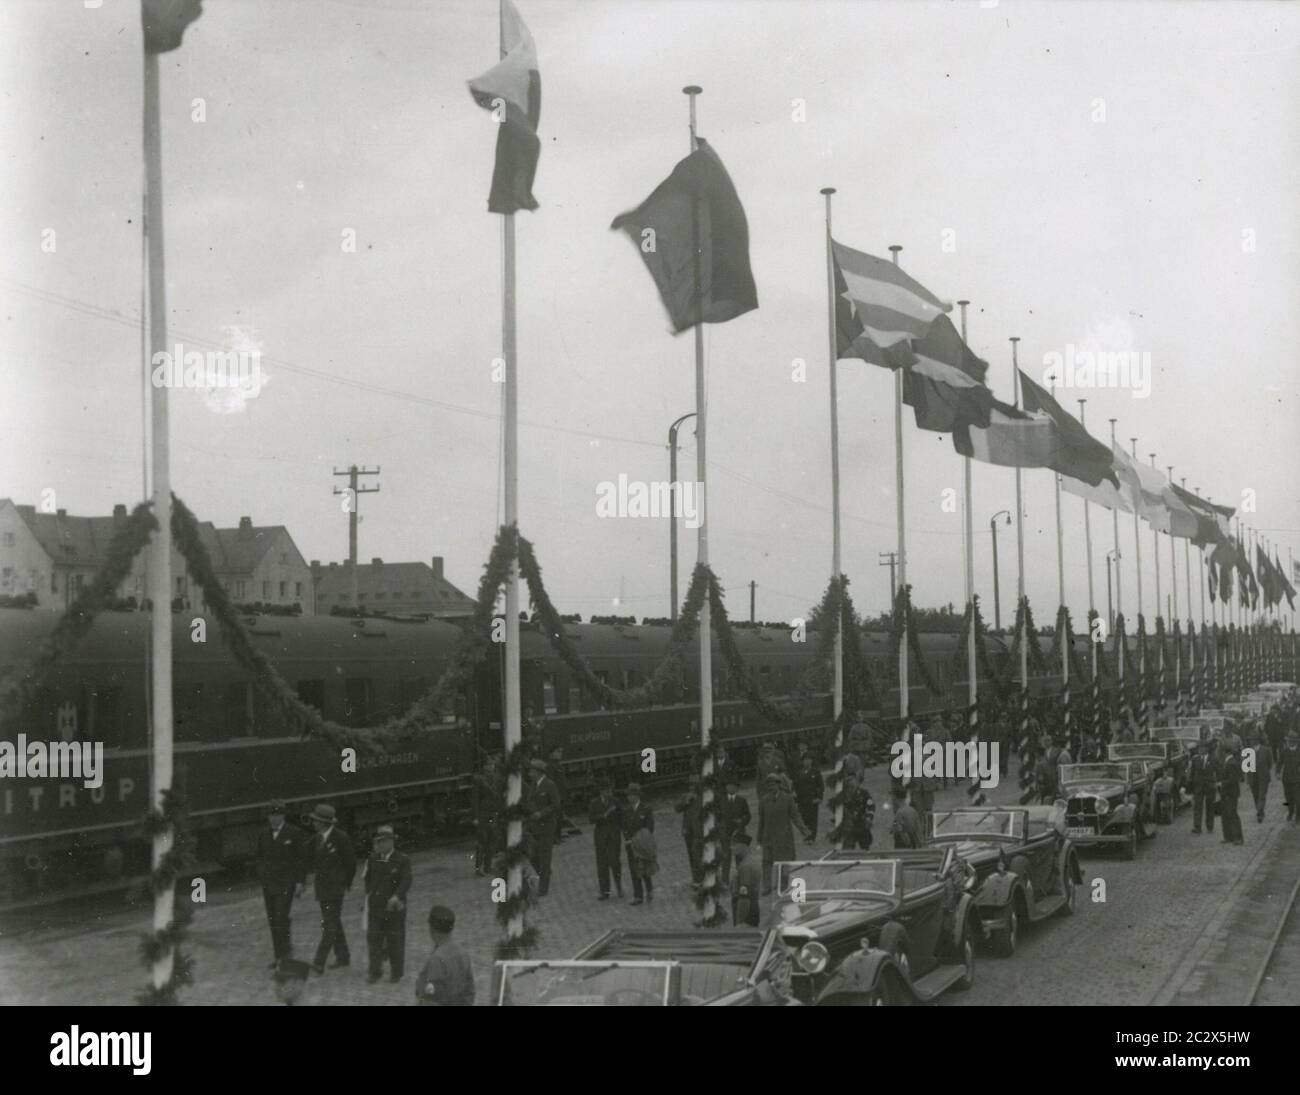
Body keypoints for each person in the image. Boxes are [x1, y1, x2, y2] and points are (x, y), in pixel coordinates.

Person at [256, 799, 309, 968]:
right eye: (271, 815)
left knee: (281, 917)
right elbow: (259, 857)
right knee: (273, 920)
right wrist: (262, 875)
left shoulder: (294, 833)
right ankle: (279, 957)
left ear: (283, 816)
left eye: (277, 815)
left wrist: (301, 881)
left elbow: (301, 859)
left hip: (286, 884)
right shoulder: (263, 834)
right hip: (269, 884)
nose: (274, 819)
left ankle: (286, 955)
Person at [308, 803, 356, 975]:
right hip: (322, 889)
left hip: (335, 889)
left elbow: (351, 863)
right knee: (333, 922)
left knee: (329, 925)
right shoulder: (318, 838)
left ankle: (318, 963)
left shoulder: (341, 837)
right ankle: (343, 956)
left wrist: (346, 883)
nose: (313, 823)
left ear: (324, 822)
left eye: (316, 820)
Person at [363, 824, 411, 984]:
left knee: (395, 941)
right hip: (376, 907)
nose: (380, 845)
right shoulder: (372, 858)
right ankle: (375, 972)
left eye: (384, 841)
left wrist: (397, 896)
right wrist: (369, 897)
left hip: (393, 908)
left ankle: (396, 973)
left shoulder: (402, 859)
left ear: (392, 841)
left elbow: (406, 880)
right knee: (374, 939)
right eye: (379, 841)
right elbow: (368, 879)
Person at [757, 774, 811, 893]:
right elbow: (762, 821)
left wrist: (804, 830)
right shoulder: (764, 801)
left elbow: (795, 816)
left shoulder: (787, 799)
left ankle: (783, 885)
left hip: (784, 837)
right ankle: (766, 886)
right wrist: (759, 837)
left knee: (784, 862)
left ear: (778, 784)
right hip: (768, 837)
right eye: (769, 785)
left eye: (774, 784)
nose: (771, 787)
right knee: (767, 862)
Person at [415, 906, 474, 1006]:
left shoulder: (437, 959)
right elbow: (470, 990)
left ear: (432, 930)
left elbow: (431, 999)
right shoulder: (463, 953)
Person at [523, 758, 561, 896]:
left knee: (545, 858)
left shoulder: (549, 785)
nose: (529, 773)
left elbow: (556, 805)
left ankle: (543, 888)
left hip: (546, 827)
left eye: (531, 771)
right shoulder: (533, 785)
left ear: (538, 772)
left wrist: (542, 813)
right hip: (534, 827)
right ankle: (545, 873)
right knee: (532, 855)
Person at [588, 775, 624, 900]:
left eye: (610, 790)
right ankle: (605, 891)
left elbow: (622, 817)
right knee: (602, 864)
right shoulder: (594, 803)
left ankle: (619, 887)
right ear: (601, 791)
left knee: (615, 862)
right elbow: (591, 819)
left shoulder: (616, 801)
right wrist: (604, 815)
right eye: (606, 790)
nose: (609, 793)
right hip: (600, 837)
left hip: (614, 836)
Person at [621, 782, 655, 905]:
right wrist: (627, 839)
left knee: (644, 867)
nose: (629, 797)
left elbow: (649, 828)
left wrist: (637, 839)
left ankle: (649, 889)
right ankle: (638, 895)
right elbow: (624, 827)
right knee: (634, 869)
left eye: (631, 795)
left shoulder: (646, 809)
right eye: (628, 795)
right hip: (630, 846)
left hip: (642, 844)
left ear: (636, 796)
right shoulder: (626, 811)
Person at [472, 756, 503, 876]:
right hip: (483, 814)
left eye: (492, 765)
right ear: (483, 767)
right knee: (482, 841)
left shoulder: (497, 778)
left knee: (492, 840)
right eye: (488, 765)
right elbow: (475, 799)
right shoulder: (478, 779)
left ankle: (488, 867)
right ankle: (478, 868)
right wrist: (475, 817)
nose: (491, 767)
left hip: (494, 813)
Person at [718, 777, 751, 885]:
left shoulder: (742, 801)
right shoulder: (721, 801)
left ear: (737, 788)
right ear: (726, 787)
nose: (731, 788)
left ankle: (742, 880)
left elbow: (748, 815)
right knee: (726, 858)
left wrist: (741, 821)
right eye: (729, 785)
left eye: (734, 786)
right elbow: (717, 816)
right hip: (725, 833)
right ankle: (725, 881)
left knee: (740, 858)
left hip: (739, 833)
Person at [674, 779, 705, 886]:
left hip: (699, 831)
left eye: (694, 785)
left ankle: (700, 878)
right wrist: (685, 801)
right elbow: (677, 808)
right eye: (690, 785)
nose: (691, 788)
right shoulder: (685, 797)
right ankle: (696, 878)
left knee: (697, 854)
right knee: (691, 854)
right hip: (688, 830)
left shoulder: (703, 798)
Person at [730, 833, 762, 927]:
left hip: (745, 909)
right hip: (753, 906)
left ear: (743, 846)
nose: (732, 847)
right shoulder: (751, 861)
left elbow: (744, 894)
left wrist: (740, 921)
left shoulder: (745, 866)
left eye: (734, 845)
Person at [791, 754, 825, 841]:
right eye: (805, 759)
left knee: (813, 819)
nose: (807, 761)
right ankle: (806, 835)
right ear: (802, 761)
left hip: (812, 799)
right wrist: (794, 793)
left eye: (809, 759)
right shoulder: (798, 772)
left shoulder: (816, 772)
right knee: (803, 818)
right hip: (801, 799)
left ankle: (812, 837)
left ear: (811, 761)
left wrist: (819, 798)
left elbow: (821, 786)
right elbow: (794, 785)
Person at [1216, 744, 1244, 846]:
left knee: (1232, 814)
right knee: (1226, 815)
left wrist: (1221, 783)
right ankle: (1229, 837)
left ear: (1224, 752)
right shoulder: (1228, 762)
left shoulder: (1231, 763)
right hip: (1227, 793)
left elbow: (1233, 779)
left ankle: (1238, 838)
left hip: (1230, 793)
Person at [840, 771, 875, 851]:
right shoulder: (843, 795)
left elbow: (871, 806)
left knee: (865, 847)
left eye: (853, 780)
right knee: (848, 850)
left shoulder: (864, 793)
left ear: (856, 781)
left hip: (861, 824)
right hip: (849, 826)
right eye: (848, 781)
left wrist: (869, 817)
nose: (851, 783)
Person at [1189, 739, 1217, 835]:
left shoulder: (1213, 759)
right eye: (1199, 748)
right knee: (1197, 807)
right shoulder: (1195, 759)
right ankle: (1197, 827)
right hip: (1198, 786)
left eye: (1202, 748)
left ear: (1207, 749)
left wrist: (1217, 783)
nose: (1200, 750)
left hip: (1210, 786)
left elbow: (1218, 771)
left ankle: (1210, 826)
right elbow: (1192, 774)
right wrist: (1191, 786)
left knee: (1210, 807)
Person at [1247, 732, 1273, 823]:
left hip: (1263, 777)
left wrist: (1264, 771)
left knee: (1262, 795)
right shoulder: (1248, 751)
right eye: (1251, 740)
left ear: (1258, 740)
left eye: (1254, 740)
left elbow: (1270, 763)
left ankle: (1259, 814)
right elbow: (1245, 766)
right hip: (1253, 778)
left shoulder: (1266, 750)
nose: (1252, 742)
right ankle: (1260, 810)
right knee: (1255, 795)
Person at [1280, 732, 1300, 825]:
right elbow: (1280, 763)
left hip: (1297, 779)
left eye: (1292, 741)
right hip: (1286, 779)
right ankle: (1290, 812)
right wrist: (1277, 772)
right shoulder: (1284, 751)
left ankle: (1298, 817)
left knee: (1297, 799)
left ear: (1296, 742)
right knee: (1288, 798)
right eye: (1289, 741)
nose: (1290, 743)